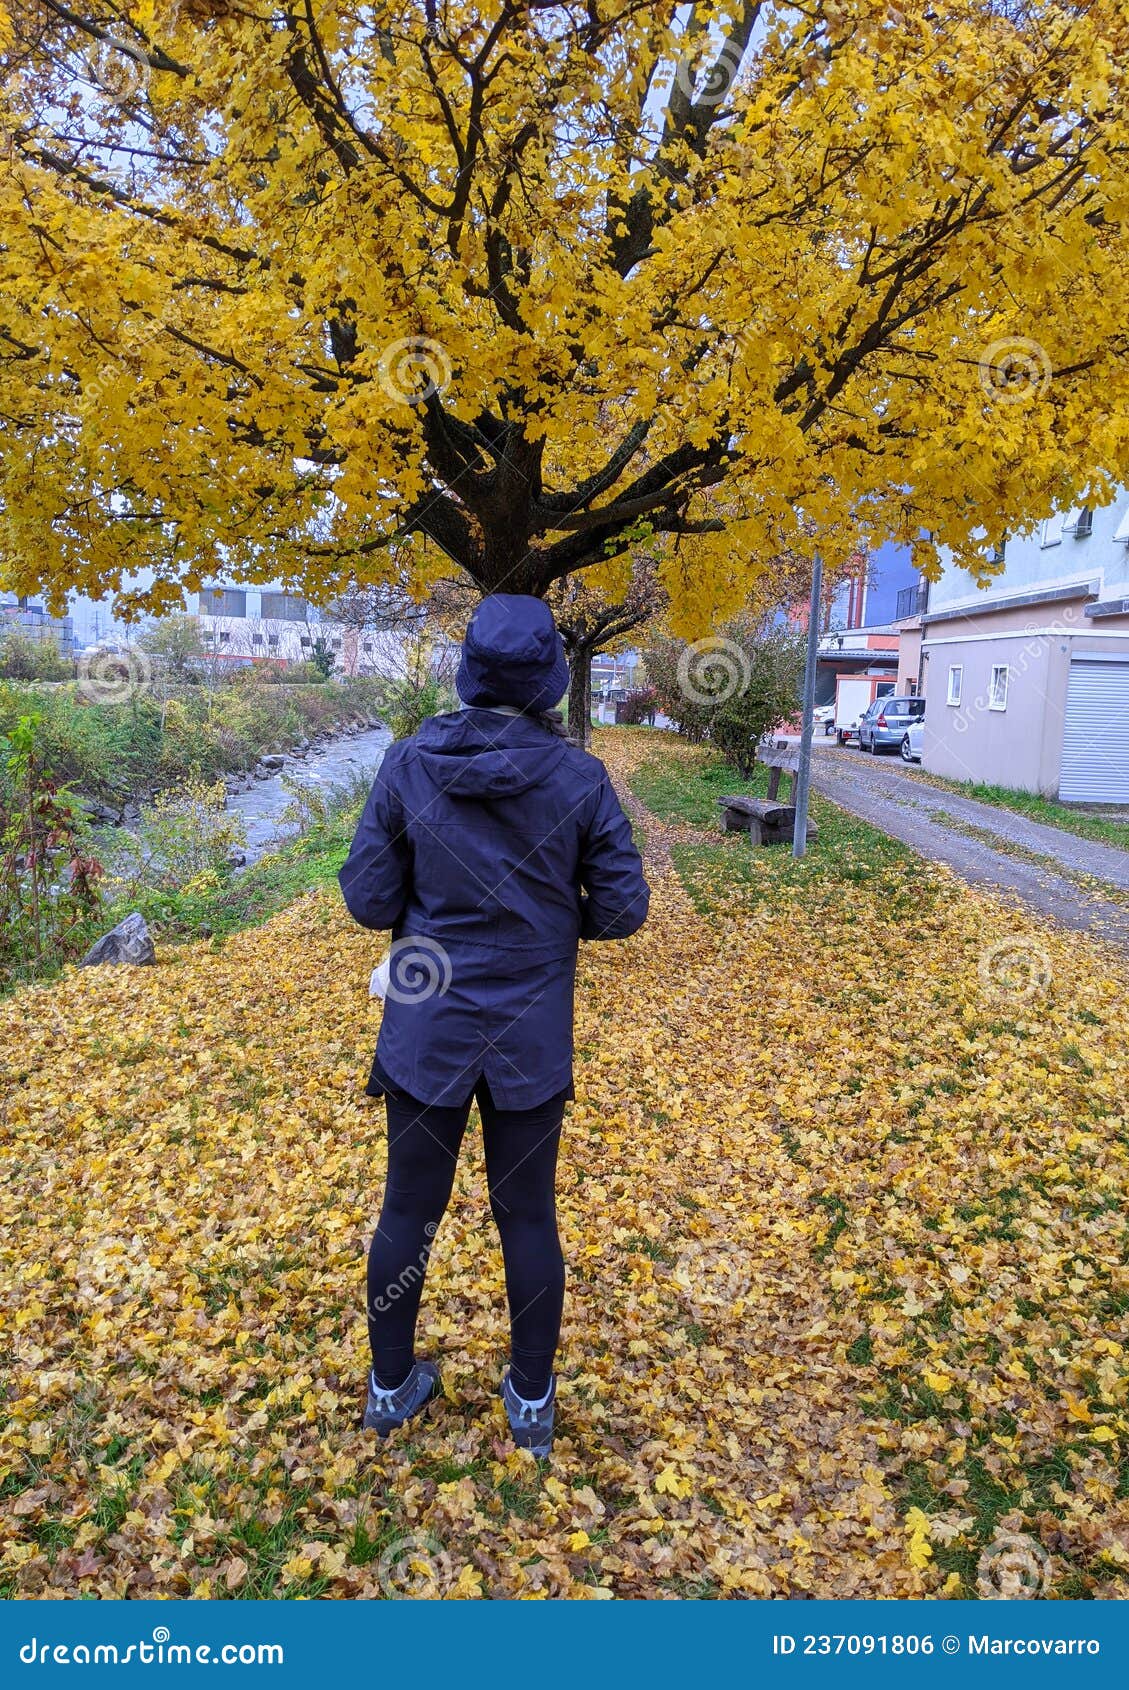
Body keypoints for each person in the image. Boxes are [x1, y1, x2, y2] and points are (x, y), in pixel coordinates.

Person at [339, 593, 650, 1458]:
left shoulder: (406, 765)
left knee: (409, 1209)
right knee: (526, 1215)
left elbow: (368, 900)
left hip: (425, 1030)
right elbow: (622, 909)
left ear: (469, 671)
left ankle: (392, 1386)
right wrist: (550, 920)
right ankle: (530, 1401)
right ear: (548, 681)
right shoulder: (579, 778)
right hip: (527, 1034)